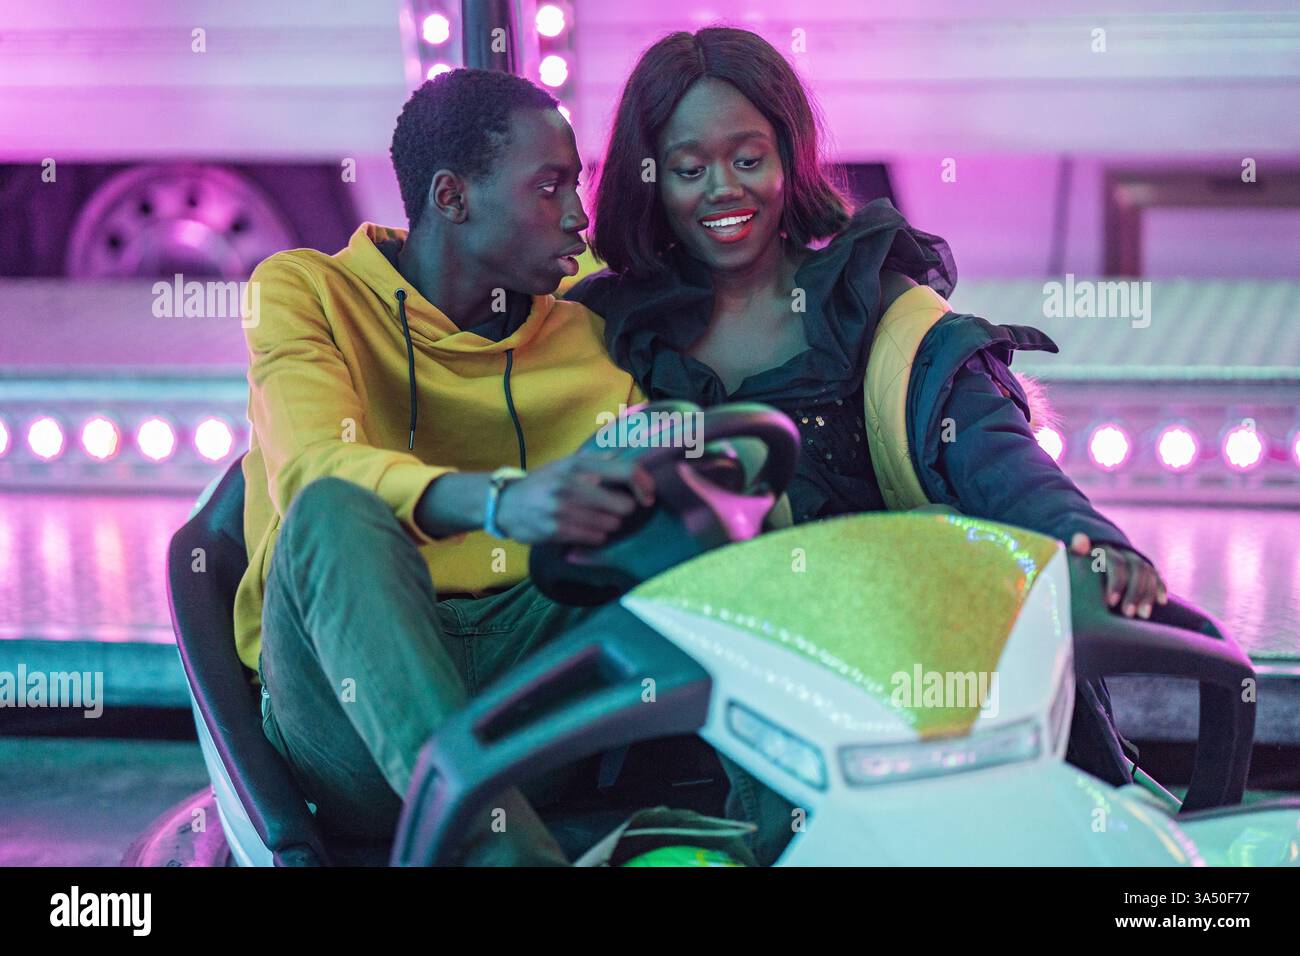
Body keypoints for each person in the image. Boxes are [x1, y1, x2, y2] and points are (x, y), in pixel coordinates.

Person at [566, 27, 1168, 866]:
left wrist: (1090, 538)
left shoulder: (874, 306)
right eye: (689, 168)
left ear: (790, 154)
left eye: (748, 158)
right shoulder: (605, 331)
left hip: (895, 683)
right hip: (701, 715)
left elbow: (996, 455)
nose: (721, 190)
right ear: (649, 177)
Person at [233, 68, 656, 866]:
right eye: (550, 188)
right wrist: (501, 504)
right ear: (453, 198)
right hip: (349, 703)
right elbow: (312, 470)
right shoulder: (303, 291)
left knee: (694, 502)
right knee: (330, 511)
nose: (578, 215)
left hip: (524, 684)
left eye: (580, 186)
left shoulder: (590, 329)